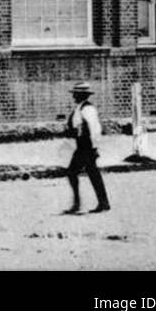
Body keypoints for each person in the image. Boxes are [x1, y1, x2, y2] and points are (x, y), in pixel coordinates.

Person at [64, 81, 110, 213]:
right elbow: (77, 126)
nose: (74, 97)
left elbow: (95, 129)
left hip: (87, 146)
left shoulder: (88, 109)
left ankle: (78, 204)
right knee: (92, 174)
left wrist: (95, 147)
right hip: (82, 144)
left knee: (73, 172)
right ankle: (102, 203)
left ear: (82, 95)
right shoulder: (80, 108)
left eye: (76, 94)